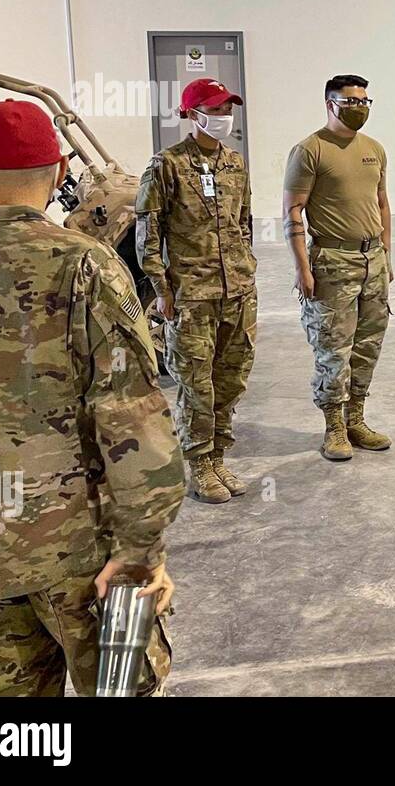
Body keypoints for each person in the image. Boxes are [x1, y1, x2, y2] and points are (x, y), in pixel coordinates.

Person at [0, 99, 183, 696]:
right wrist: (142, 551)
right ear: (61, 171)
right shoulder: (87, 266)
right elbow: (135, 421)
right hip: (85, 561)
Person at [135, 77, 257, 504]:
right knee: (194, 381)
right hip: (191, 293)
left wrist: (248, 269)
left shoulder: (236, 163)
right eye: (215, 109)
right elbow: (149, 233)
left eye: (227, 110)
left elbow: (244, 222)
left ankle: (220, 453)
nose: (223, 117)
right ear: (191, 114)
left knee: (231, 377)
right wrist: (160, 289)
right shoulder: (166, 165)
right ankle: (199, 463)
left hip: (238, 290)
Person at [283, 75, 393, 461]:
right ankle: (333, 427)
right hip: (332, 261)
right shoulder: (310, 150)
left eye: (364, 100)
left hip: (372, 262)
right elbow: (293, 209)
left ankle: (356, 419)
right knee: (333, 349)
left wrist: (386, 256)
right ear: (330, 104)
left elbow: (381, 203)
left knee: (367, 346)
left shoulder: (374, 149)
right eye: (350, 102)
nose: (359, 107)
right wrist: (302, 267)